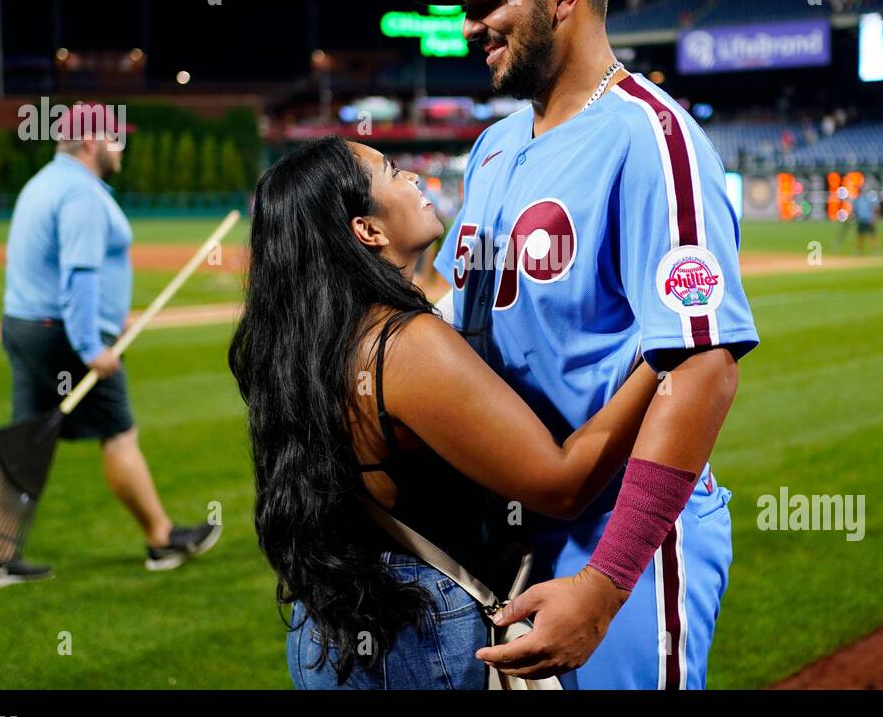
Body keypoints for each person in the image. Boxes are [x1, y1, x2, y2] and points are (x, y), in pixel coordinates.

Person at [409, 0, 759, 688]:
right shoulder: (494, 147)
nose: (470, 28)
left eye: (488, 1)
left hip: (620, 535)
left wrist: (606, 586)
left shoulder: (652, 138)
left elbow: (704, 366)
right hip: (503, 533)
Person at [228, 138, 661, 689]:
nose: (411, 176)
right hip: (415, 627)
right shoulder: (405, 345)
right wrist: (664, 358)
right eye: (390, 171)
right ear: (368, 231)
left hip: (334, 625)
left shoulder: (307, 340)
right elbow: (561, 484)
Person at [0, 103, 220, 589]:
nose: (121, 149)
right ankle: (160, 539)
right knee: (118, 433)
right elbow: (79, 273)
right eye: (116, 140)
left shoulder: (43, 183)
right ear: (90, 143)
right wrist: (91, 344)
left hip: (27, 327)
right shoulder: (81, 194)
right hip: (66, 338)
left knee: (26, 439)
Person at [853, 178, 880, 253]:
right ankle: (858, 250)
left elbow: (876, 208)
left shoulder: (870, 197)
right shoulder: (857, 199)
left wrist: (874, 218)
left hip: (869, 219)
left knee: (872, 235)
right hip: (861, 220)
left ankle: (875, 249)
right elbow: (855, 210)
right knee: (859, 235)